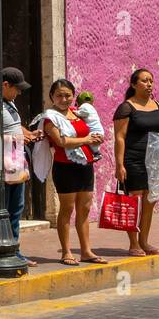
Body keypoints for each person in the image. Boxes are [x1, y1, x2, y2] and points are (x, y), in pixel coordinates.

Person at [0, 67, 41, 266]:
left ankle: (13, 250)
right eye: (17, 88)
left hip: (15, 164)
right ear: (5, 85)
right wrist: (15, 137)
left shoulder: (9, 103)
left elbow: (12, 126)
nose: (19, 92)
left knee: (15, 209)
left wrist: (29, 133)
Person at [41, 79, 106, 266]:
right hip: (65, 167)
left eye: (67, 95)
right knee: (67, 209)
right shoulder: (50, 118)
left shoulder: (78, 114)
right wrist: (86, 139)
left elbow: (90, 132)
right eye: (59, 95)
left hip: (85, 165)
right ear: (52, 97)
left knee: (84, 209)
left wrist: (95, 139)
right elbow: (61, 141)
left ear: (73, 96)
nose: (64, 99)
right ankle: (67, 252)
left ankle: (86, 251)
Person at [113, 68, 159, 257]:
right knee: (134, 201)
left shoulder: (157, 105)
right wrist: (119, 164)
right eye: (144, 81)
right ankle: (133, 244)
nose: (149, 84)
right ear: (133, 84)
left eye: (151, 81)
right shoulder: (126, 107)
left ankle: (144, 242)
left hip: (155, 161)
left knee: (150, 201)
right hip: (134, 159)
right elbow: (120, 138)